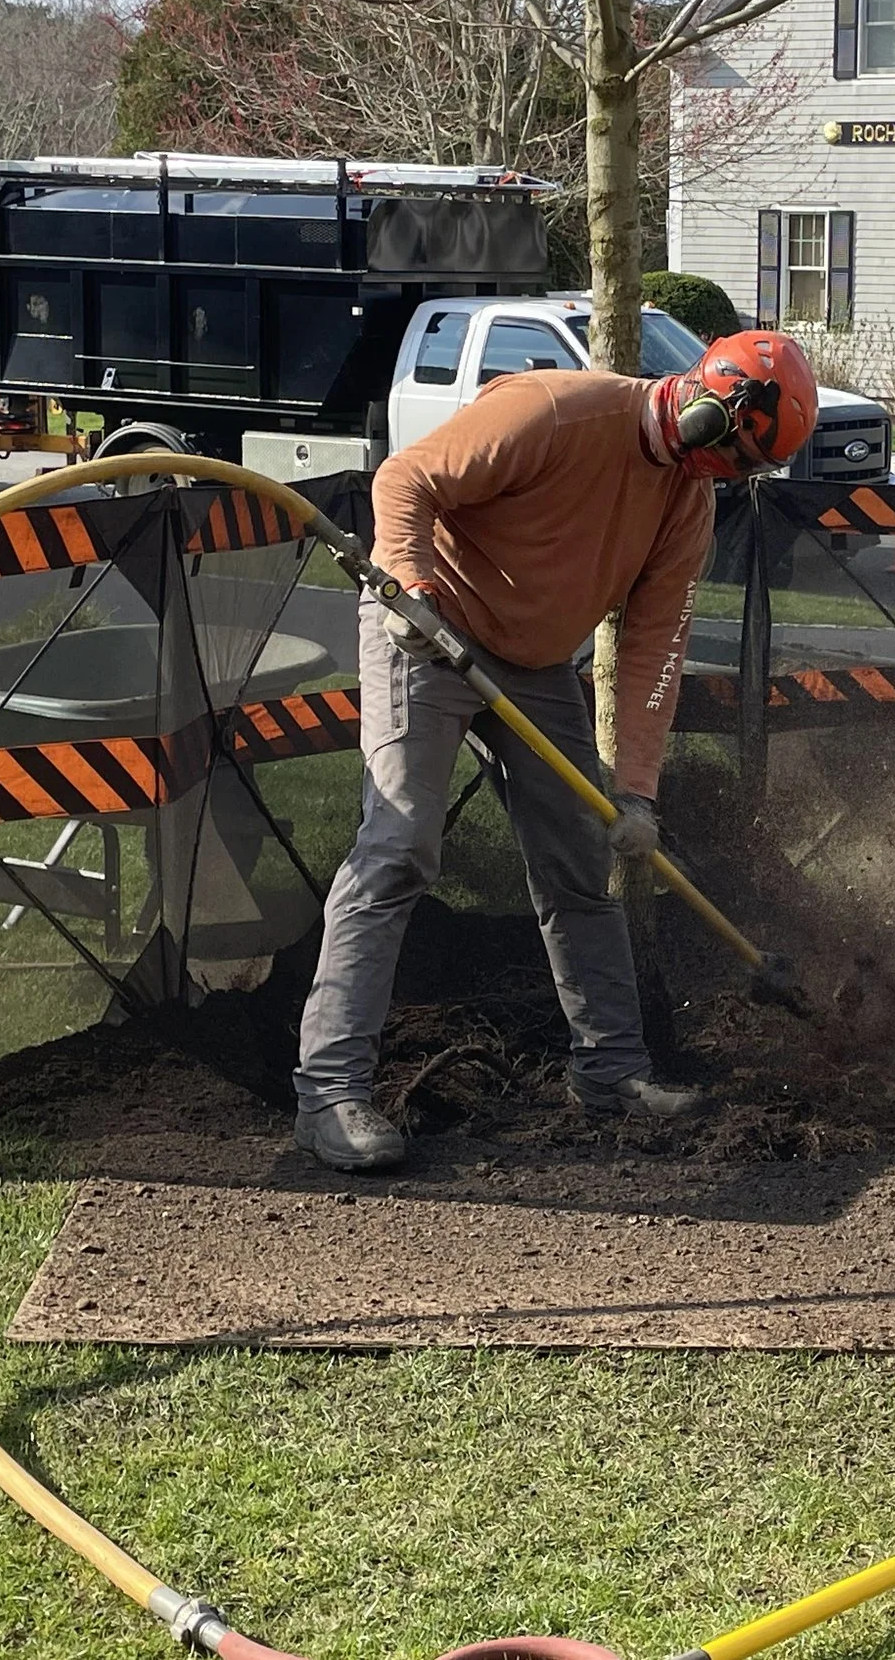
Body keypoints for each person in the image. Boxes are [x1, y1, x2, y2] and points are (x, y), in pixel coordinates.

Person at [292, 329, 820, 1171]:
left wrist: (638, 792)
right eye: (735, 457)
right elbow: (405, 480)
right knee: (399, 846)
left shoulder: (688, 507)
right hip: (427, 632)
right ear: (711, 406)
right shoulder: (553, 410)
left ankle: (610, 1071)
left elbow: (653, 654)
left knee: (581, 859)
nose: (728, 476)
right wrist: (413, 589)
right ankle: (327, 1095)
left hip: (536, 666)